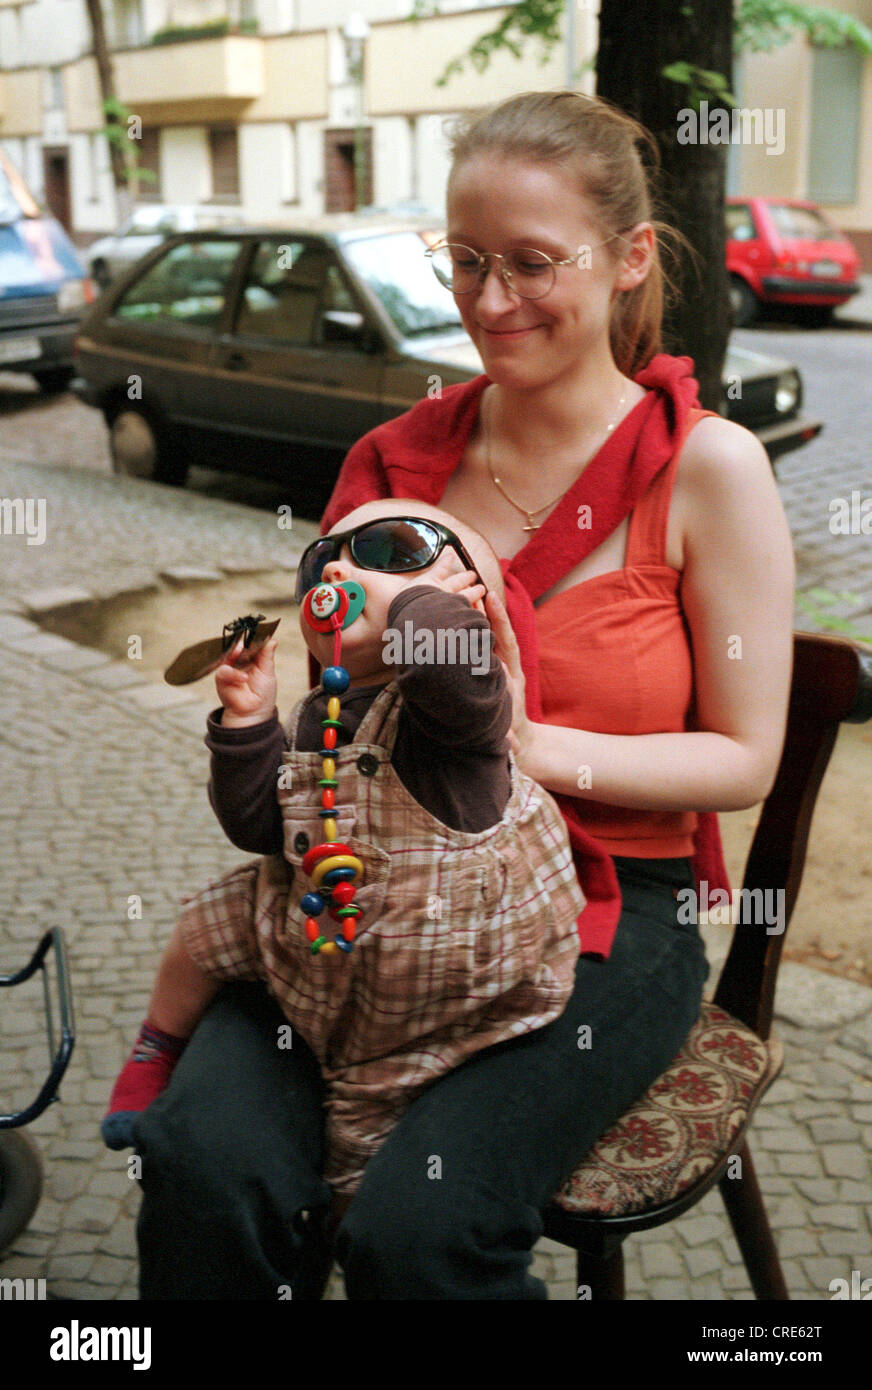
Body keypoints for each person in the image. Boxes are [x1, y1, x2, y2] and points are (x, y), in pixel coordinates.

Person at [133, 90, 794, 1300]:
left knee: (421, 1231)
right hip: (373, 886)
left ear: (629, 256)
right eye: (466, 261)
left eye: (531, 264)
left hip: (611, 912)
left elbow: (743, 759)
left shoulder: (705, 470)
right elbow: (336, 712)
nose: (488, 304)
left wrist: (524, 745)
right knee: (197, 1155)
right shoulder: (392, 465)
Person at [105, 499, 584, 1193]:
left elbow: (449, 669)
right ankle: (158, 1044)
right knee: (202, 926)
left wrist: (422, 607)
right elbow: (261, 831)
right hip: (326, 926)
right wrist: (249, 725)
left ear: (465, 604)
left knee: (360, 1154)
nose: (336, 567)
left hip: (436, 962)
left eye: (394, 548)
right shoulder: (320, 714)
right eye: (319, 561)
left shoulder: (460, 721)